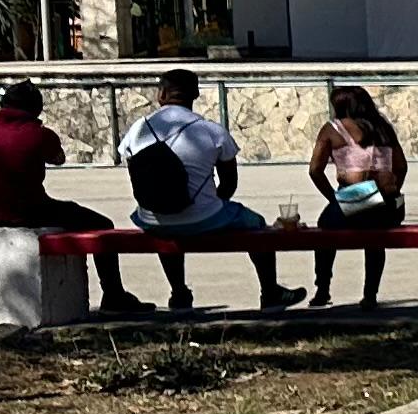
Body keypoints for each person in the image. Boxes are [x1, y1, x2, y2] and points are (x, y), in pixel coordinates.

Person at [116, 67, 300, 315]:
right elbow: (229, 184)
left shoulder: (137, 130)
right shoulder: (212, 131)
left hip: (152, 218)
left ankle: (179, 292)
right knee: (256, 223)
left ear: (161, 94)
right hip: (204, 217)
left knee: (166, 223)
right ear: (195, 94)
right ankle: (270, 292)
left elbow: (137, 178)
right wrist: (206, 205)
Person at [0, 79, 157, 316]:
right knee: (102, 225)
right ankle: (114, 294)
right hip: (30, 212)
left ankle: (114, 295)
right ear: (35, 109)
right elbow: (58, 158)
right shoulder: (38, 134)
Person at [305, 84, 410, 309]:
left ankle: (323, 289)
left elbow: (315, 170)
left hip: (358, 199)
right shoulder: (383, 128)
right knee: (375, 238)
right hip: (391, 206)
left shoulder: (333, 129)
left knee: (324, 230)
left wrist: (334, 198)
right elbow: (401, 167)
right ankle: (370, 295)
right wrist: (390, 192)